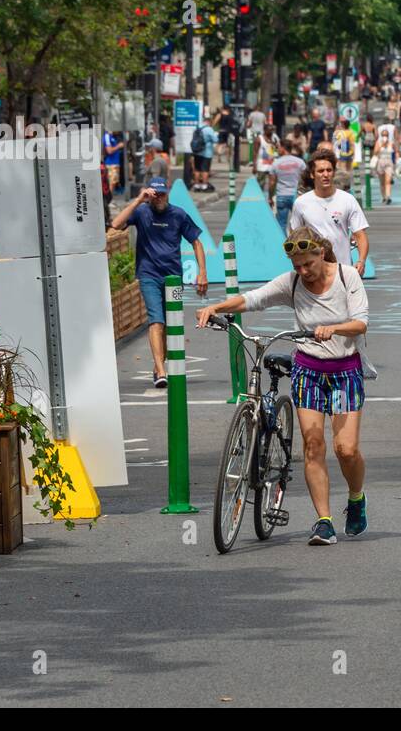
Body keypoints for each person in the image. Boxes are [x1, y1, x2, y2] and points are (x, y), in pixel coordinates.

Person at [196, 226, 369, 545]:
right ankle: (324, 521)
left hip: (345, 370)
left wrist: (335, 328)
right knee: (313, 443)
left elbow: (361, 322)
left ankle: (357, 498)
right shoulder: (292, 282)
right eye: (297, 266)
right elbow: (253, 299)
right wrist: (215, 308)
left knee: (346, 449)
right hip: (308, 369)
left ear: (321, 253)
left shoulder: (347, 277)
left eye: (308, 264)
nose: (303, 272)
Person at [111, 178, 208, 388]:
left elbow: (196, 242)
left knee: (168, 324)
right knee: (156, 321)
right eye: (156, 194)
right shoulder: (142, 212)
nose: (160, 198)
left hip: (173, 278)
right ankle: (161, 370)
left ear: (168, 194)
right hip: (149, 275)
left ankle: (159, 366)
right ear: (150, 195)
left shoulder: (178, 214)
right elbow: (116, 224)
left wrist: (202, 273)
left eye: (163, 194)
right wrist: (138, 200)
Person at [289, 148, 370, 272]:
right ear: (312, 174)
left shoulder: (348, 200)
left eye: (329, 170)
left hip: (343, 270)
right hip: (314, 273)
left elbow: (360, 236)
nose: (325, 174)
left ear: (333, 172)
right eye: (320, 171)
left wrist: (361, 261)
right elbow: (294, 238)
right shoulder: (301, 203)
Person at [271, 143, 307, 233]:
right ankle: (298, 243)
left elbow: (272, 183)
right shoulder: (300, 162)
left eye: (279, 147)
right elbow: (305, 178)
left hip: (281, 196)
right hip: (297, 196)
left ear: (283, 148)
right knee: (299, 223)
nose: (278, 150)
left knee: (281, 223)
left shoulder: (276, 163)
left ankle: (283, 244)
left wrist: (270, 197)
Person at [192, 113, 219, 192]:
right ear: (209, 121)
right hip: (206, 152)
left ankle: (196, 186)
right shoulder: (209, 129)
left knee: (197, 169)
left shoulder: (197, 128)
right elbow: (215, 140)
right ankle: (204, 186)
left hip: (197, 151)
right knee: (205, 170)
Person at [374, 118, 397, 205]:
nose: (385, 137)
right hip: (380, 162)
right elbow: (375, 153)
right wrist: (381, 146)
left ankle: (388, 197)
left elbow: (396, 152)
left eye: (386, 135)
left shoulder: (391, 142)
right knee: (382, 182)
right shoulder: (378, 143)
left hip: (389, 162)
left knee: (388, 181)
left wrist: (397, 160)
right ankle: (383, 196)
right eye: (383, 135)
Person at [255, 125, 278, 194]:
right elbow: (255, 152)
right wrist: (254, 166)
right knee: (260, 184)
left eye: (272, 130)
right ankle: (260, 197)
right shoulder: (259, 139)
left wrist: (275, 145)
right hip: (261, 165)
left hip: (272, 165)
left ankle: (271, 198)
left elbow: (278, 149)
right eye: (269, 130)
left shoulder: (275, 138)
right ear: (265, 130)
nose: (271, 131)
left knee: (272, 183)